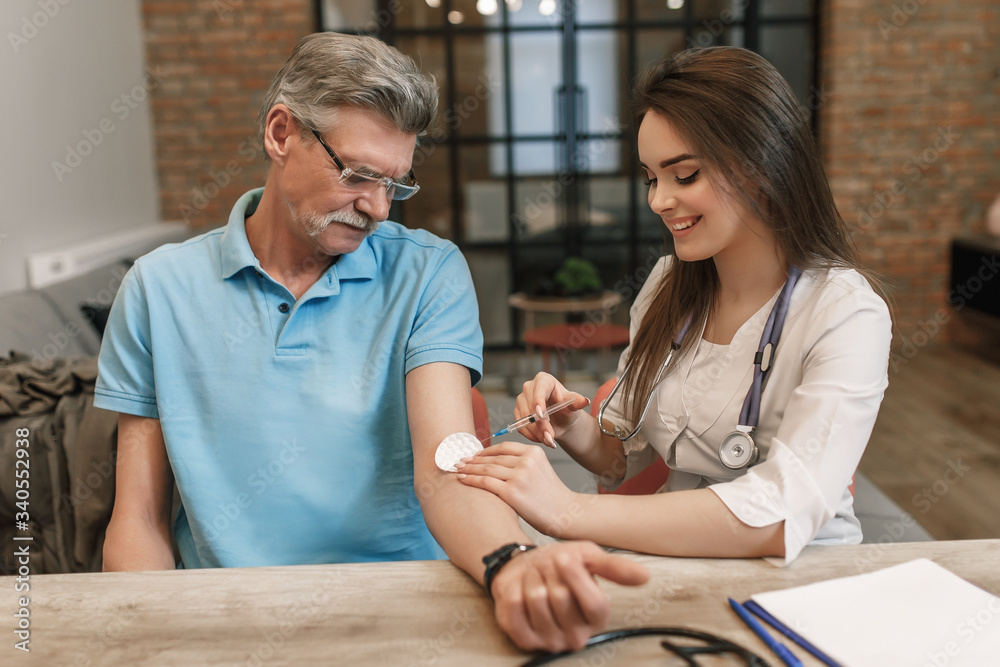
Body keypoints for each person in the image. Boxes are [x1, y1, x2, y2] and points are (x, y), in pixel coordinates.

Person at [95, 32, 647, 652]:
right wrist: (147, 638)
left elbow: (445, 465)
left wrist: (511, 559)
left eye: (396, 184)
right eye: (358, 175)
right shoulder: (157, 289)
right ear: (282, 134)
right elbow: (139, 516)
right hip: (228, 610)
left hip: (402, 598)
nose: (379, 208)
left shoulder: (428, 273)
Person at [457, 46, 893, 565]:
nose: (658, 200)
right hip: (677, 565)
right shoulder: (669, 285)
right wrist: (570, 424)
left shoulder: (845, 313)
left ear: (764, 165)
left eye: (684, 176)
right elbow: (622, 455)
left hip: (802, 577)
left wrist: (567, 512)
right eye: (651, 178)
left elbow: (781, 514)